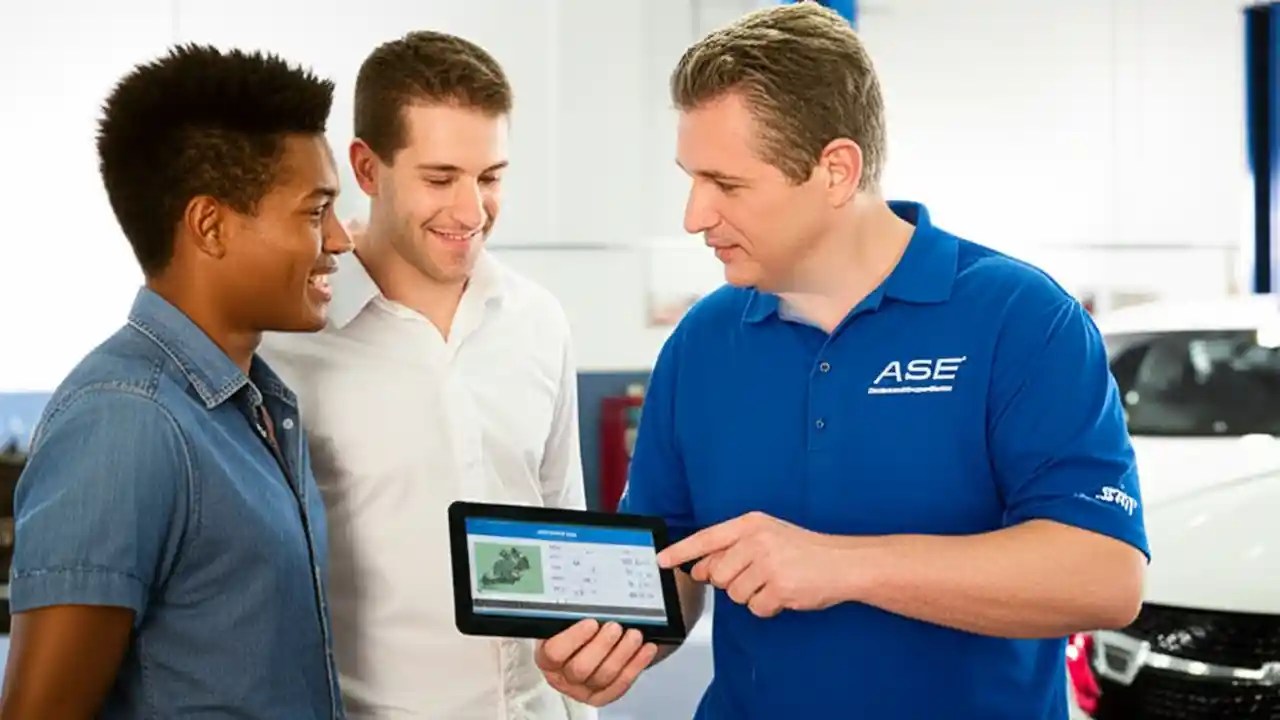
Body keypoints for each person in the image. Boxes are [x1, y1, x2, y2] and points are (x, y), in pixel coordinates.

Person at [534, 4, 1149, 719]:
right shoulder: (703, 341)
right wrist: (610, 637)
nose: (693, 215)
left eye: (727, 185)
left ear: (835, 171)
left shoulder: (1021, 320)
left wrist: (841, 566)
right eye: (691, 178)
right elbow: (670, 559)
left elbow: (1104, 577)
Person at [0, 45, 352, 719]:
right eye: (315, 212)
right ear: (210, 226)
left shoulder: (254, 411)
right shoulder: (126, 422)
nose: (340, 239)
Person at [258, 31, 592, 720]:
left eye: (491, 176)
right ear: (368, 168)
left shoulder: (539, 321)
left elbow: (566, 530)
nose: (471, 212)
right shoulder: (288, 347)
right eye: (440, 179)